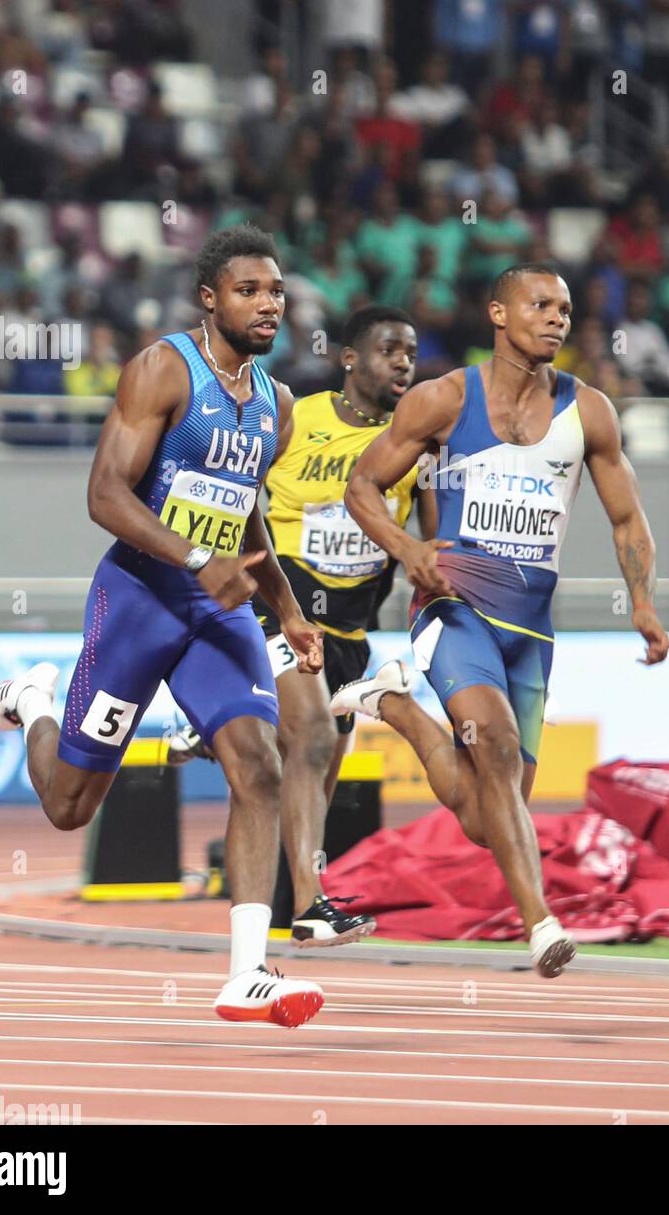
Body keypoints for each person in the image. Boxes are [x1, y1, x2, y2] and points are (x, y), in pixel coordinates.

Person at [0, 225, 328, 1027]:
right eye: (250, 290)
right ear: (210, 299)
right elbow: (105, 494)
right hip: (140, 601)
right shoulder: (162, 370)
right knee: (70, 805)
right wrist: (190, 557)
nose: (268, 303)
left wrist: (286, 608)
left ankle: (248, 974)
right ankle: (37, 699)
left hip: (219, 610)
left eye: (277, 291)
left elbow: (246, 517)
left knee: (259, 764)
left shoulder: (275, 408)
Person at [332, 264, 669, 978]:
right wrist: (407, 549)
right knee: (494, 744)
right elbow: (361, 483)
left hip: (532, 628)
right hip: (453, 606)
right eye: (540, 305)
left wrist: (641, 600)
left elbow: (627, 518)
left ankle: (393, 705)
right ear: (497, 312)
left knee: (491, 821)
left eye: (565, 308)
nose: (556, 318)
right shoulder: (444, 400)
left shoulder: (592, 412)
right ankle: (542, 924)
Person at [251, 305, 432, 944]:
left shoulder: (419, 441)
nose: (403, 362)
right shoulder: (298, 415)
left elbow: (433, 550)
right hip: (284, 607)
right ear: (350, 357)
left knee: (314, 772)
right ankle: (309, 905)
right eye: (389, 350)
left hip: (352, 633)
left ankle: (282, 898)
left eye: (410, 351)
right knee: (315, 739)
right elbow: (241, 493)